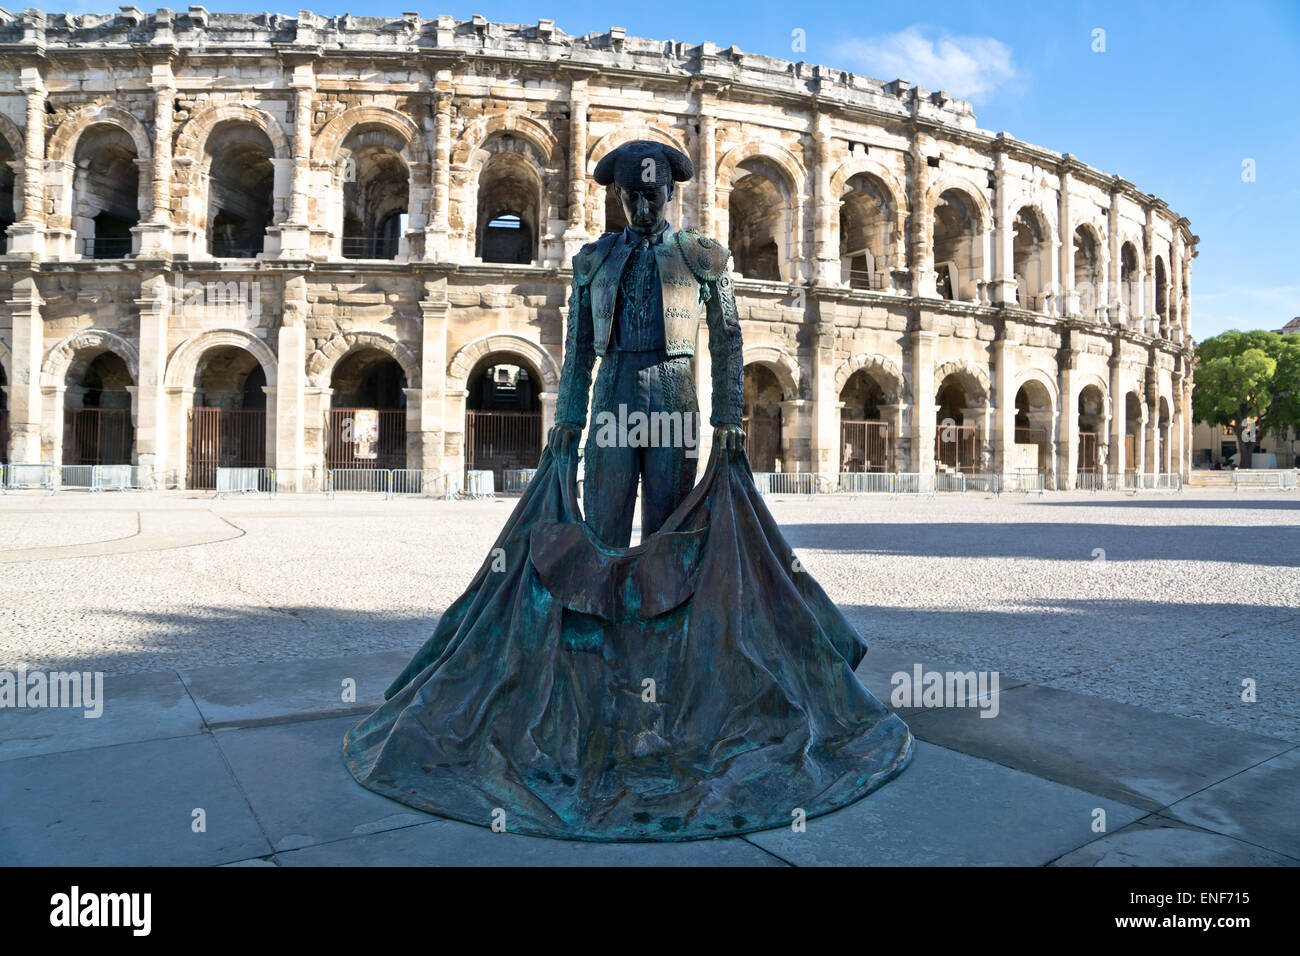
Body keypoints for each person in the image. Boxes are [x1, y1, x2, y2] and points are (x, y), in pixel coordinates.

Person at [547, 140, 745, 547]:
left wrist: (728, 416)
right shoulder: (593, 259)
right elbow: (579, 348)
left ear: (670, 192)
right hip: (612, 391)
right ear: (618, 195)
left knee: (669, 531)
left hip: (674, 394)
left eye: (652, 197)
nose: (642, 210)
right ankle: (606, 607)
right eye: (631, 198)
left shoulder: (703, 257)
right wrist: (569, 417)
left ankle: (662, 610)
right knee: (604, 525)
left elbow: (728, 342)